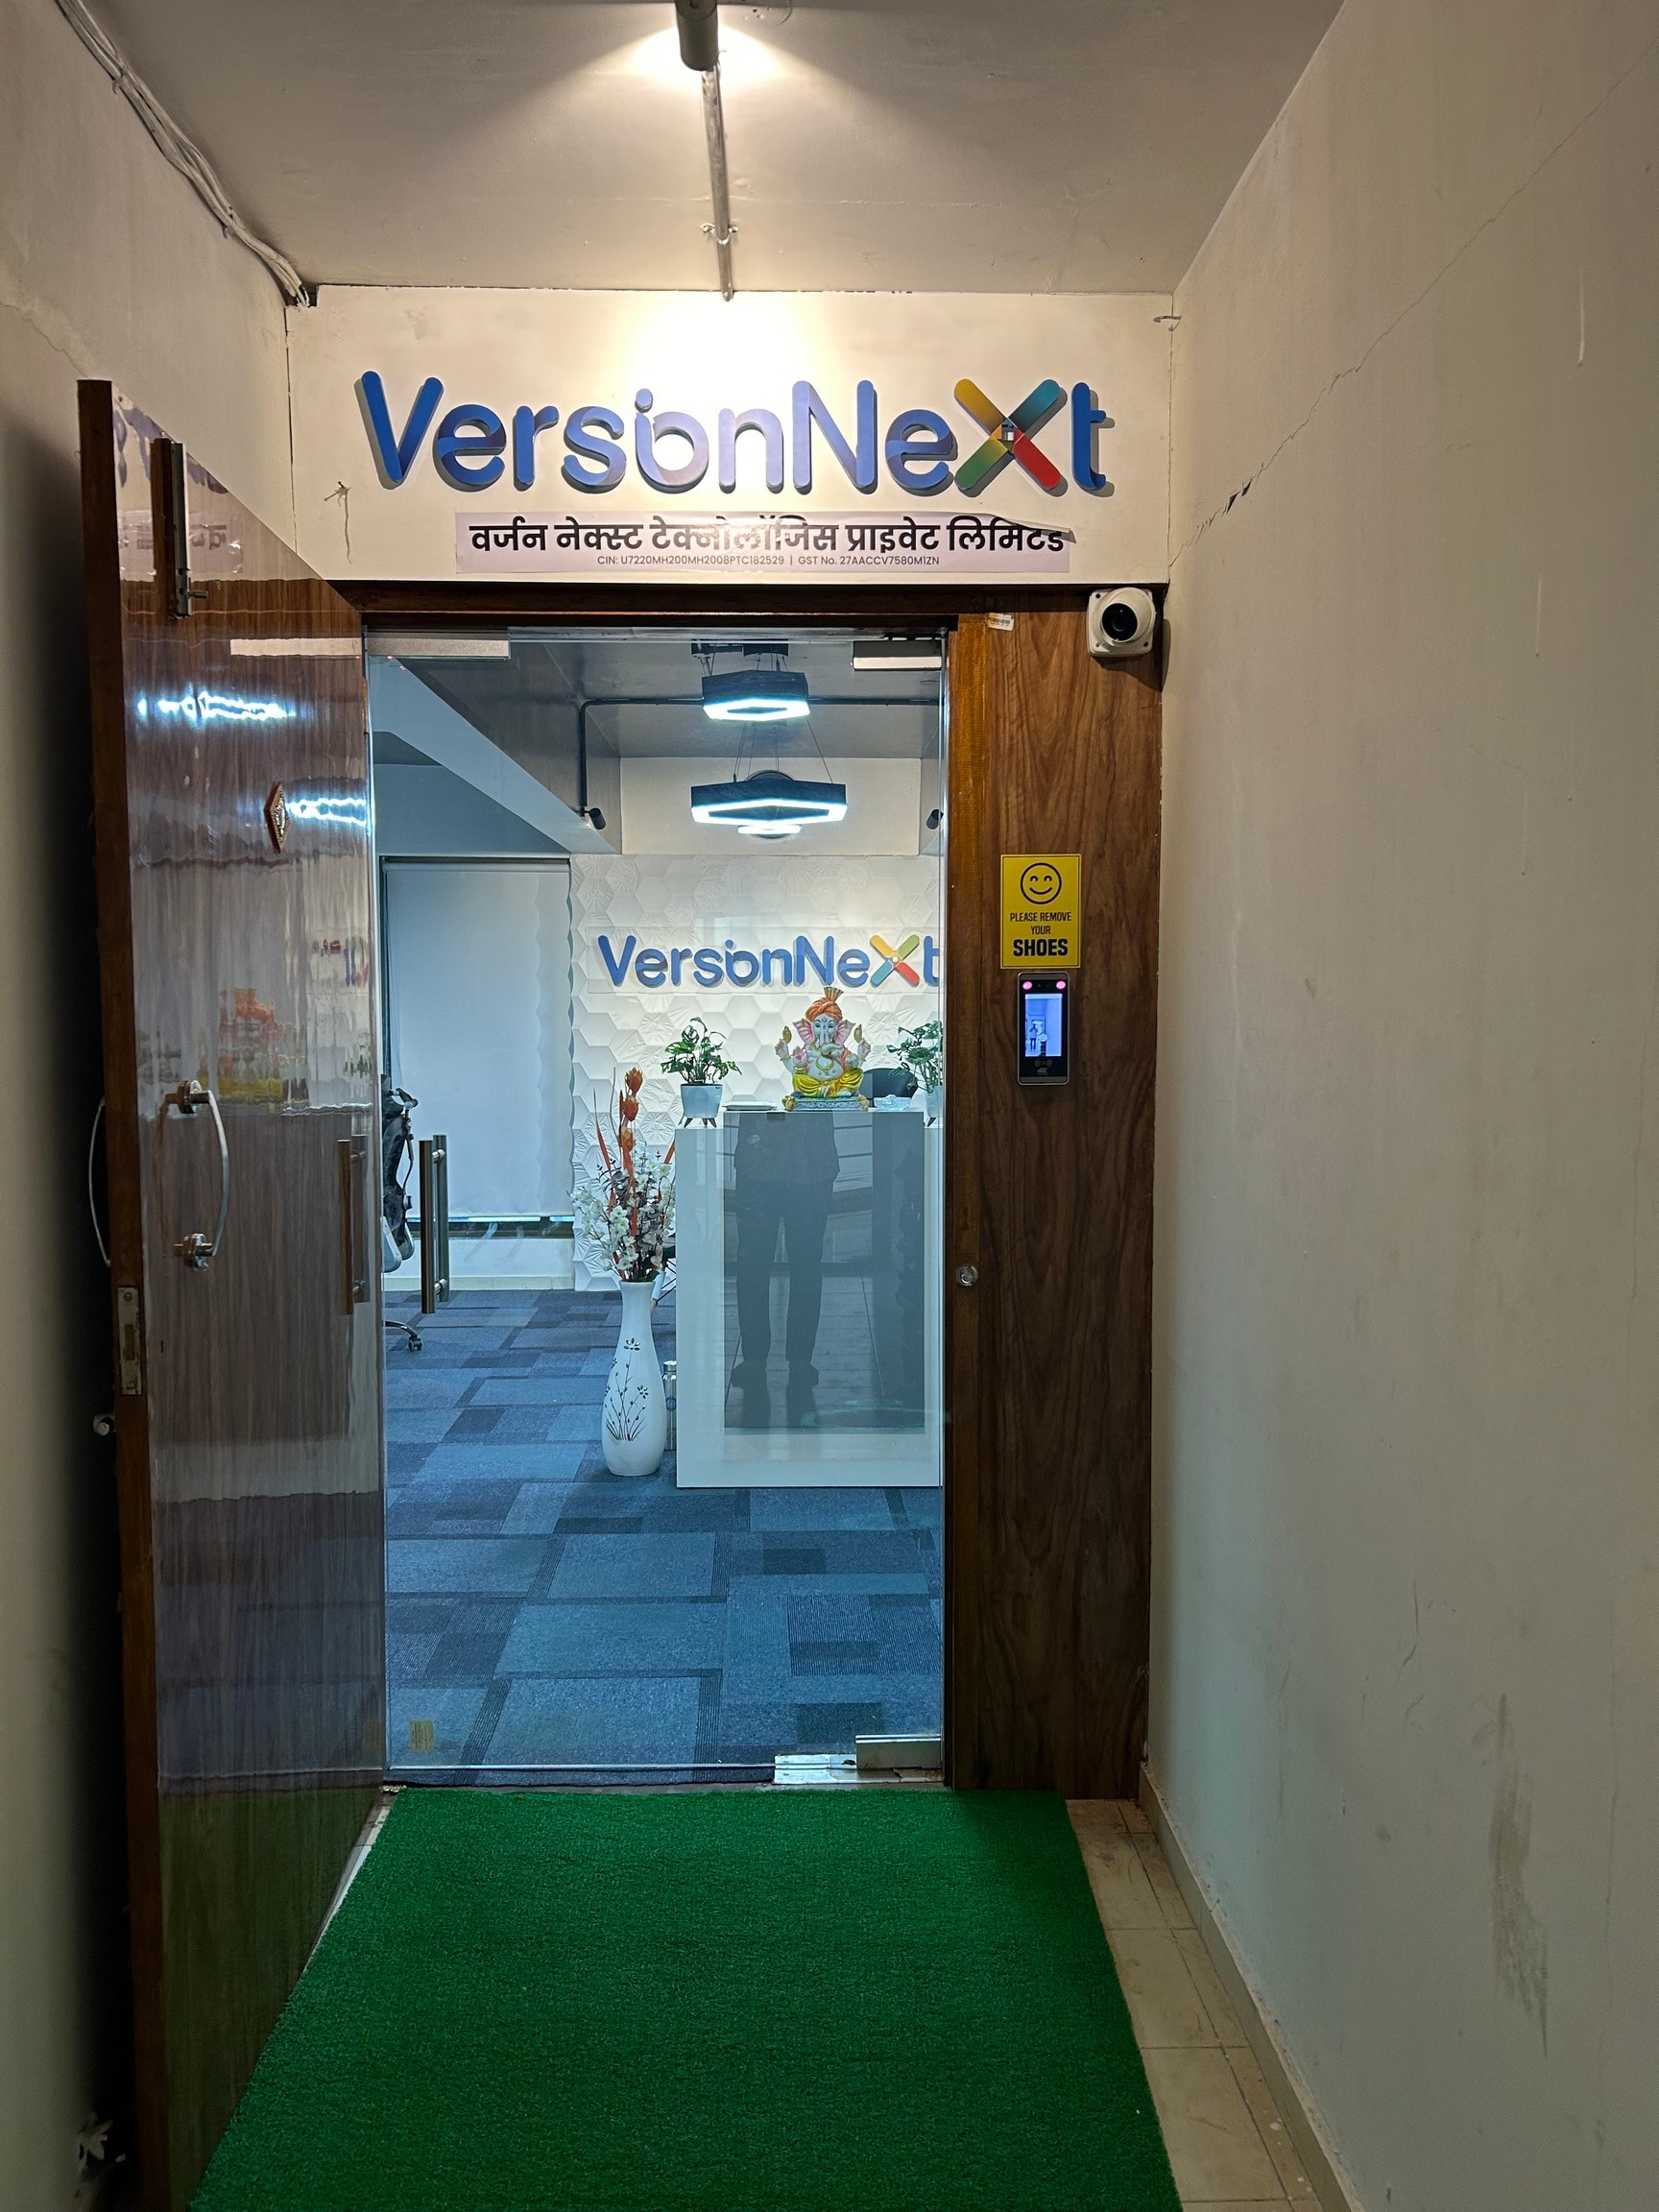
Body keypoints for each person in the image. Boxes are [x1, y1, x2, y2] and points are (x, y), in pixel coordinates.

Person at [731, 1106, 841, 1428]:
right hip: (761, 1159)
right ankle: (756, 1357)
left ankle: (799, 1359)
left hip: (809, 1161)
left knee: (806, 1265)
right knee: (753, 1265)